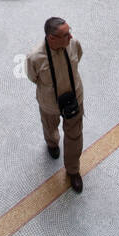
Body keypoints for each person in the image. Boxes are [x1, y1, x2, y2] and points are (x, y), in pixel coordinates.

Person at [25, 17, 85, 193]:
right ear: (51, 38)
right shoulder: (35, 57)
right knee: (50, 127)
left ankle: (73, 170)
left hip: (75, 99)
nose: (71, 36)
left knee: (75, 135)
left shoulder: (73, 44)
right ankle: (52, 143)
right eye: (65, 35)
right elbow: (32, 77)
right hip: (49, 103)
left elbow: (77, 58)